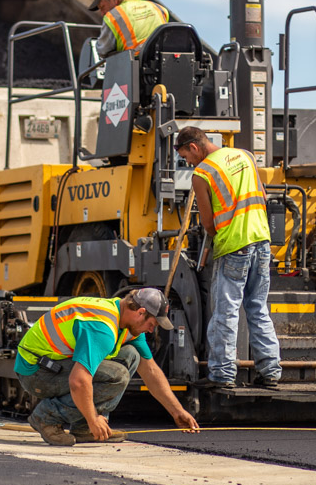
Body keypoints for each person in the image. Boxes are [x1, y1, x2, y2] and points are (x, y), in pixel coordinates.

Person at [16, 287, 200, 446]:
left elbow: (150, 370)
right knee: (117, 375)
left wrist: (177, 411)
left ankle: (84, 430)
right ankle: (47, 417)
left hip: (54, 364)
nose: (152, 330)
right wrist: (93, 418)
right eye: (152, 324)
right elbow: (79, 381)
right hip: (37, 372)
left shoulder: (126, 322)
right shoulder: (103, 328)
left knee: (131, 355)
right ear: (141, 312)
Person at [174, 126, 282, 389]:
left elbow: (209, 224)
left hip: (234, 246)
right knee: (258, 308)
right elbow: (263, 197)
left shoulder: (203, 173)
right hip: (262, 241)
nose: (188, 162)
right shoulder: (245, 155)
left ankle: (222, 375)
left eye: (185, 156)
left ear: (194, 147)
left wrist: (216, 231)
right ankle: (270, 372)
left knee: (226, 311)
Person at [88, 0, 169, 58]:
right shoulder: (158, 8)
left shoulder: (112, 17)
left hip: (134, 67)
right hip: (162, 62)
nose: (102, 13)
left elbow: (103, 50)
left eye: (102, 7)